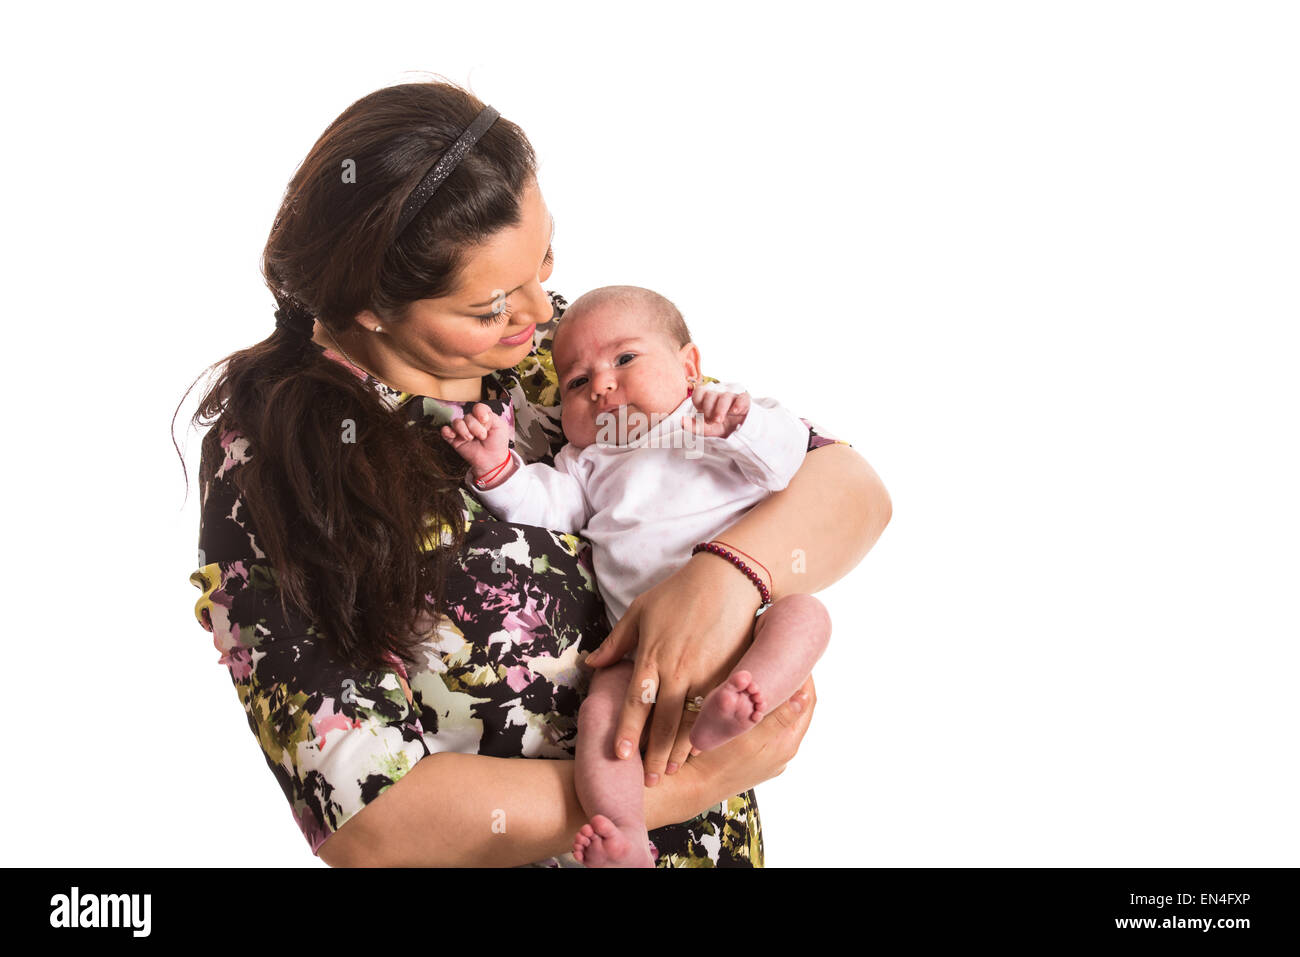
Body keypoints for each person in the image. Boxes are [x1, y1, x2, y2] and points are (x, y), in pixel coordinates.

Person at [181, 80, 892, 867]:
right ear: (372, 308)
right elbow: (373, 823)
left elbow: (847, 487)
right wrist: (693, 784)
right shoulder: (274, 466)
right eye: (490, 305)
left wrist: (727, 577)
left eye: (543, 258)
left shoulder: (563, 355)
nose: (539, 311)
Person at [441, 285, 833, 866]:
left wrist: (745, 423)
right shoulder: (585, 461)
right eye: (577, 382)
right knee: (602, 716)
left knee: (805, 616)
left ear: (689, 367)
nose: (601, 386)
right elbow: (547, 510)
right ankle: (624, 831)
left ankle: (745, 695)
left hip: (746, 621)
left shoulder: (713, 424)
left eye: (624, 359)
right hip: (638, 653)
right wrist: (500, 468)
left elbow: (787, 463)